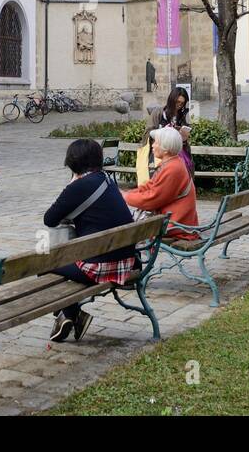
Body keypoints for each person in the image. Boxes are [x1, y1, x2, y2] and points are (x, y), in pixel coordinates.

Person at [42, 140, 136, 343]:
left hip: (99, 268)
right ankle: (71, 314)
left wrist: (71, 186)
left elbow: (49, 219)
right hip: (126, 262)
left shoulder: (78, 187)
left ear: (72, 162)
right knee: (60, 261)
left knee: (43, 262)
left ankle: (70, 313)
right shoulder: (107, 181)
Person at [123, 128, 199, 242]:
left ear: (166, 149)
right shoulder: (171, 162)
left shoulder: (172, 168)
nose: (152, 145)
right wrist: (126, 193)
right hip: (176, 222)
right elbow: (150, 186)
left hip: (176, 227)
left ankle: (128, 259)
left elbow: (151, 199)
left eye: (156, 142)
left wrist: (125, 197)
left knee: (119, 233)